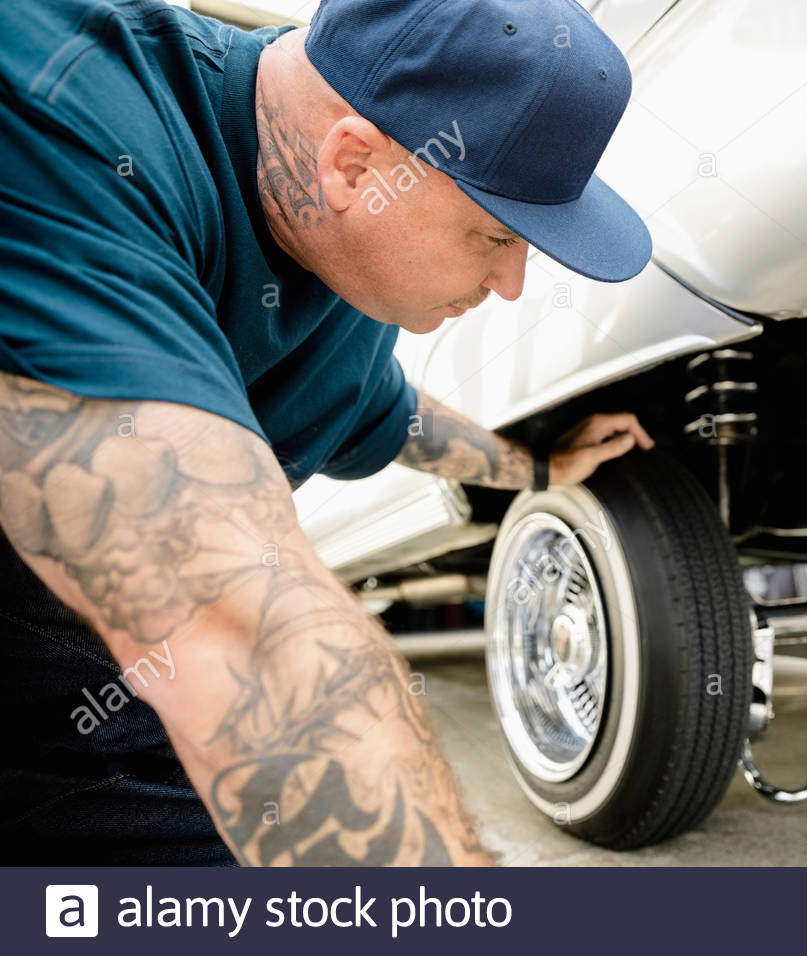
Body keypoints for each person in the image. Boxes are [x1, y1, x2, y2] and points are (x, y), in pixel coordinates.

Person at [0, 0, 655, 865]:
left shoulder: (346, 267)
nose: (510, 283)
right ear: (352, 162)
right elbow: (222, 606)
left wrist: (538, 468)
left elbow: (389, 411)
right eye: (495, 236)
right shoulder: (64, 105)